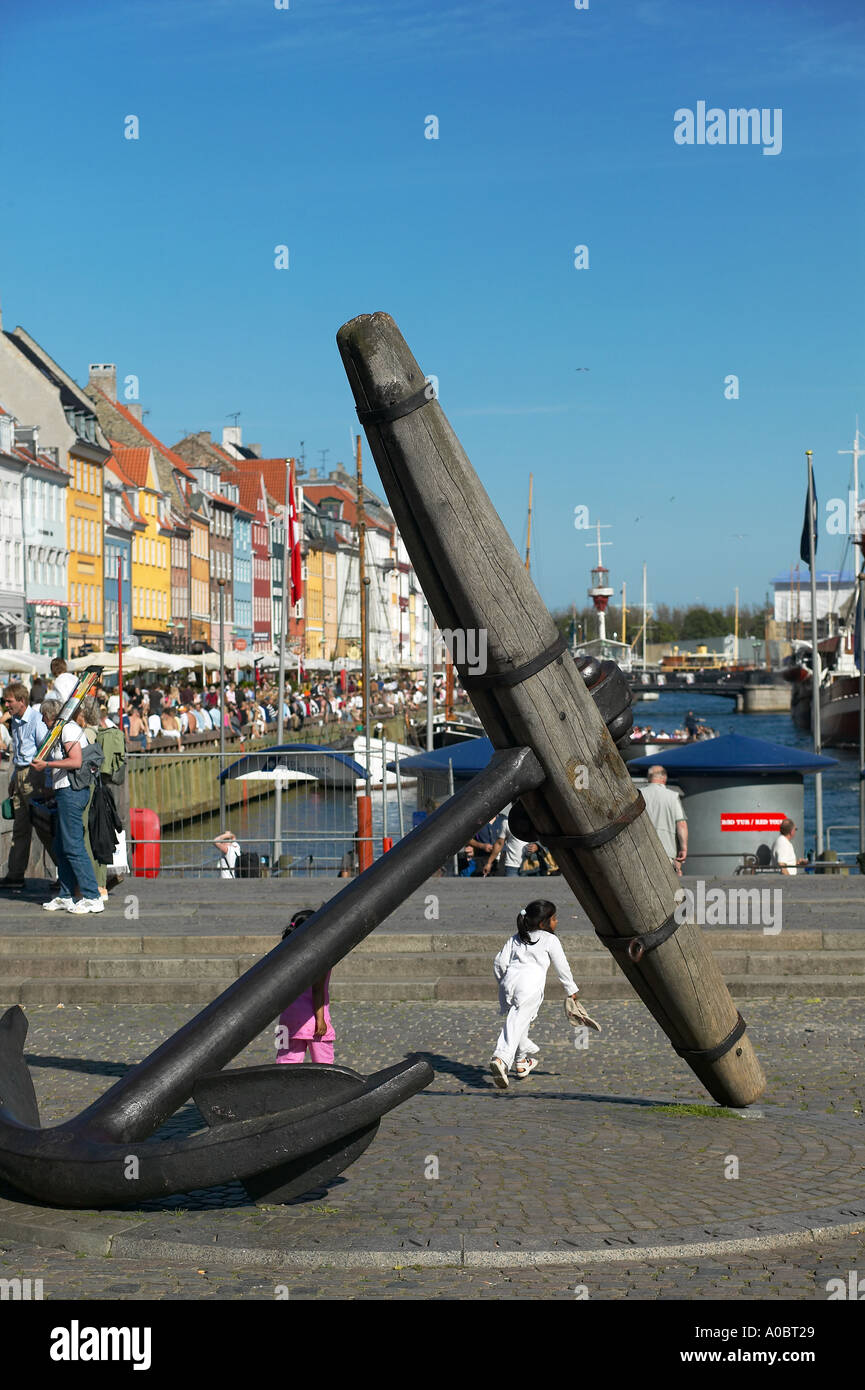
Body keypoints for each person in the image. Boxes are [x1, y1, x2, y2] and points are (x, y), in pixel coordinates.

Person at [490, 900, 581, 1089]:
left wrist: (503, 984)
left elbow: (499, 962)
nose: (557, 921)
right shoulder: (550, 940)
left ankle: (522, 1063)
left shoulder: (516, 938)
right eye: (554, 918)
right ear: (543, 923)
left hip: (510, 984)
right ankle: (501, 1059)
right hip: (529, 988)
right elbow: (562, 967)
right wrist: (571, 990)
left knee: (520, 1021)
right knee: (515, 1023)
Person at [31, 696, 103, 914]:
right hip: (65, 791)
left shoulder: (68, 730)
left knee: (72, 846)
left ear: (51, 715)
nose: (42, 721)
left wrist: (47, 764)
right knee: (61, 845)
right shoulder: (61, 731)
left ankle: (92, 896)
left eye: (44, 716)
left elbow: (76, 761)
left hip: (72, 792)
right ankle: (65, 895)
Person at [1, 681, 54, 887]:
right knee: (20, 826)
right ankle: (15, 874)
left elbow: (45, 750)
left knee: (43, 827)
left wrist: (47, 780)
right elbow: (20, 751)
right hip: (22, 774)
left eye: (9, 701)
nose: (7, 705)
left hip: (35, 775)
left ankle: (64, 874)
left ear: (22, 701)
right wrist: (15, 777)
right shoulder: (15, 719)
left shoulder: (36, 720)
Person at [275, 909, 335, 1065]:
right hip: (312, 1019)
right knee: (323, 1062)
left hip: (288, 1019)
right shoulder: (320, 958)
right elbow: (317, 990)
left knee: (285, 1060)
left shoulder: (284, 956)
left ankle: (283, 1087)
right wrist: (321, 1020)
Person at [642, 765, 688, 875]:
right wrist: (683, 848)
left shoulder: (639, 793)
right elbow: (681, 824)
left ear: (649, 777)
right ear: (664, 778)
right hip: (666, 851)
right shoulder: (672, 796)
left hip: (642, 851)